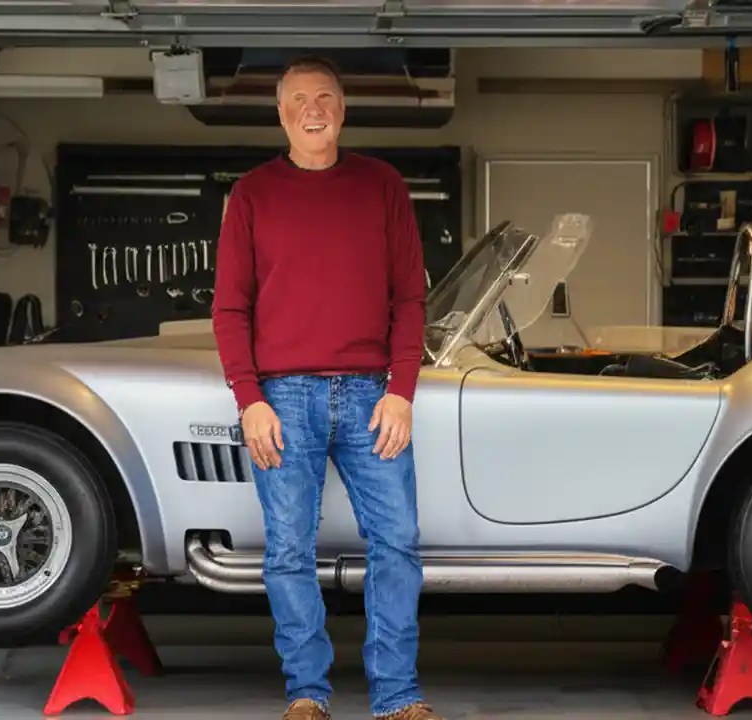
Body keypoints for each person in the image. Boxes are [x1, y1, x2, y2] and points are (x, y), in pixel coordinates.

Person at [211, 54, 443, 720]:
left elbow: (409, 299)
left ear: (343, 108)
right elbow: (230, 310)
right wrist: (249, 401)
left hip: (375, 396)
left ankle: (398, 696)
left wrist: (401, 390)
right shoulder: (252, 194)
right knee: (288, 550)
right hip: (282, 400)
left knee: (397, 542)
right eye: (299, 100)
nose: (313, 109)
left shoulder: (382, 185)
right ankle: (307, 694)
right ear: (281, 113)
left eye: (326, 98)